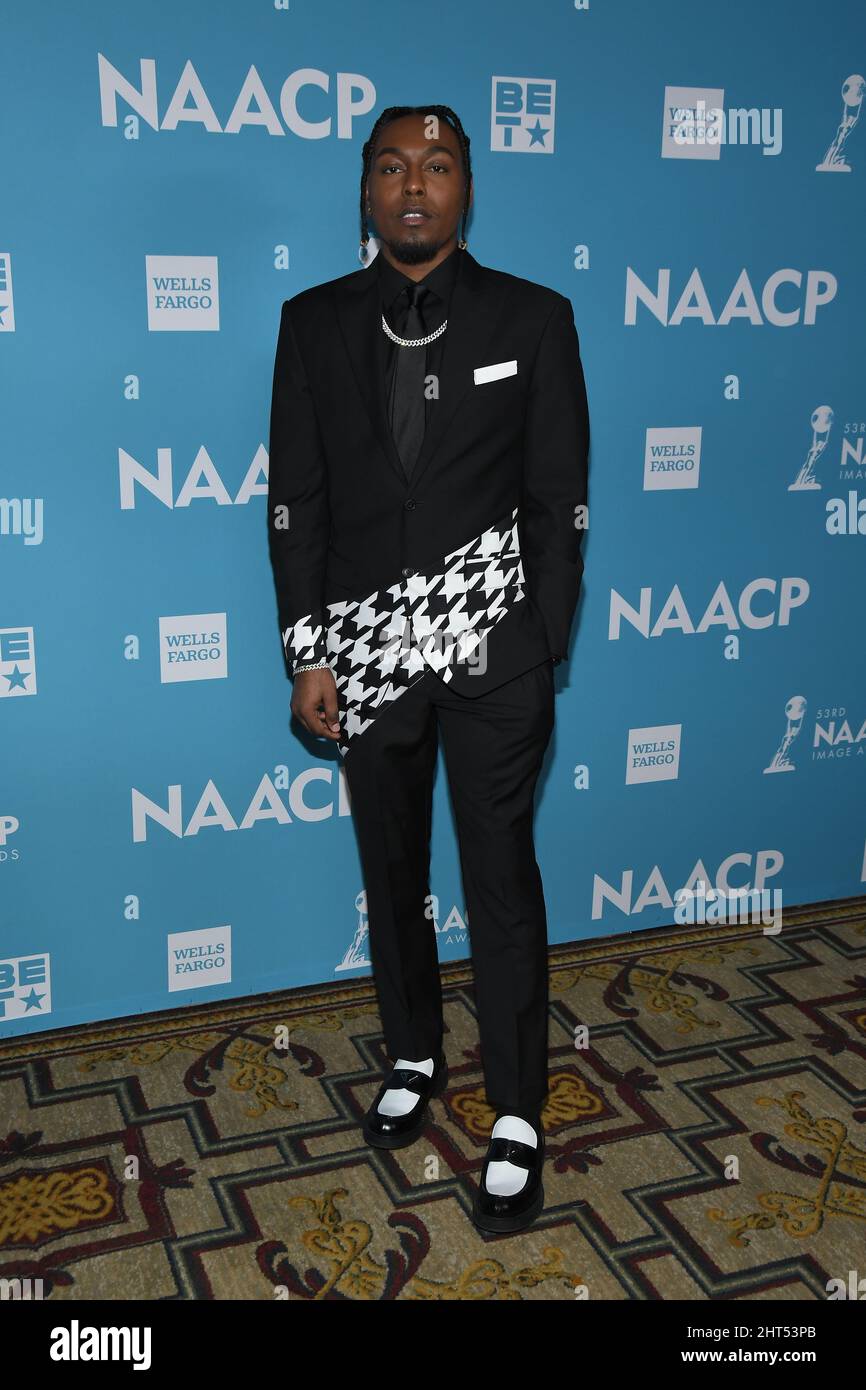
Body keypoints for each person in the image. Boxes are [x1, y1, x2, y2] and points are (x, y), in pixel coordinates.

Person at [267, 103, 589, 1234]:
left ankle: (514, 1108)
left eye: (437, 165)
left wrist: (539, 639)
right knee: (392, 866)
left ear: (465, 189)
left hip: (494, 653)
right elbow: (296, 502)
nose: (414, 184)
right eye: (392, 165)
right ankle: (410, 1050)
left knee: (499, 876)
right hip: (364, 658)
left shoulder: (533, 317)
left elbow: (557, 498)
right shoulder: (309, 323)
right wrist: (307, 651)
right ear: (364, 190)